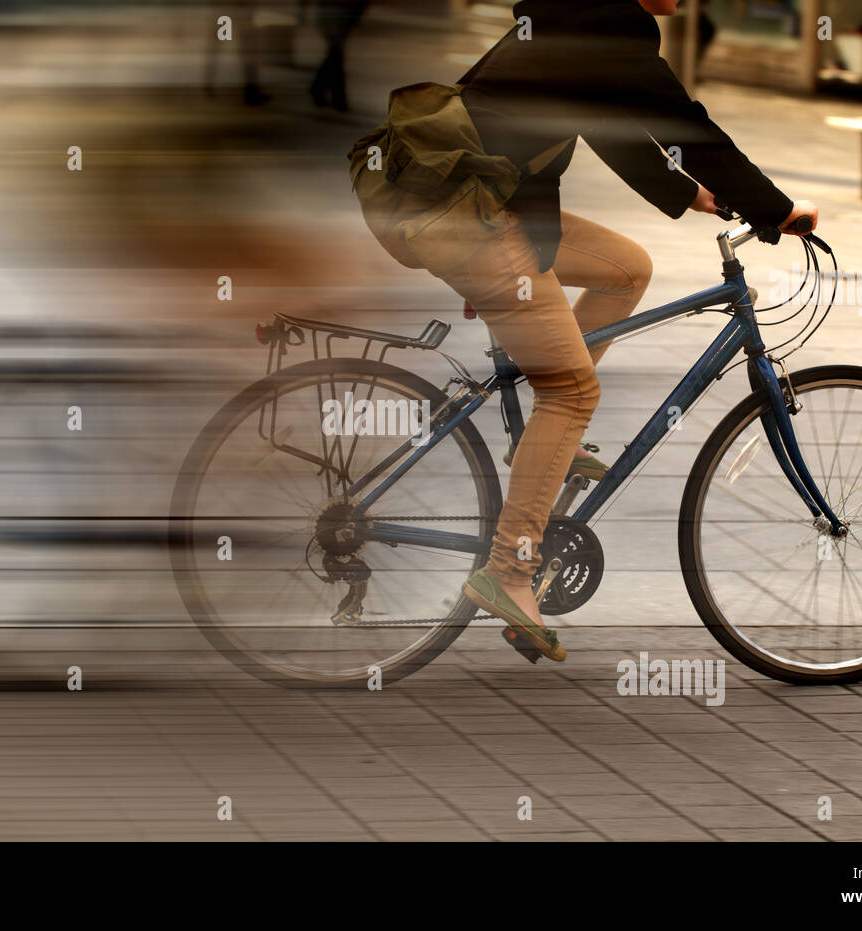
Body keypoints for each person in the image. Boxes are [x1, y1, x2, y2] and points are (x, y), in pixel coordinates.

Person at [425, 0, 818, 661]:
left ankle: (547, 448)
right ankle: (511, 571)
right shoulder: (606, 18)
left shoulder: (580, 16)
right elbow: (685, 125)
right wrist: (775, 208)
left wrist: (691, 193)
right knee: (572, 391)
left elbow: (608, 122)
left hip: (481, 207)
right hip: (477, 218)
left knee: (625, 269)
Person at [308, 0, 371, 112]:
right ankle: (334, 96)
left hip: (339, 15)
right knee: (336, 55)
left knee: (335, 55)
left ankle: (321, 90)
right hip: (336, 15)